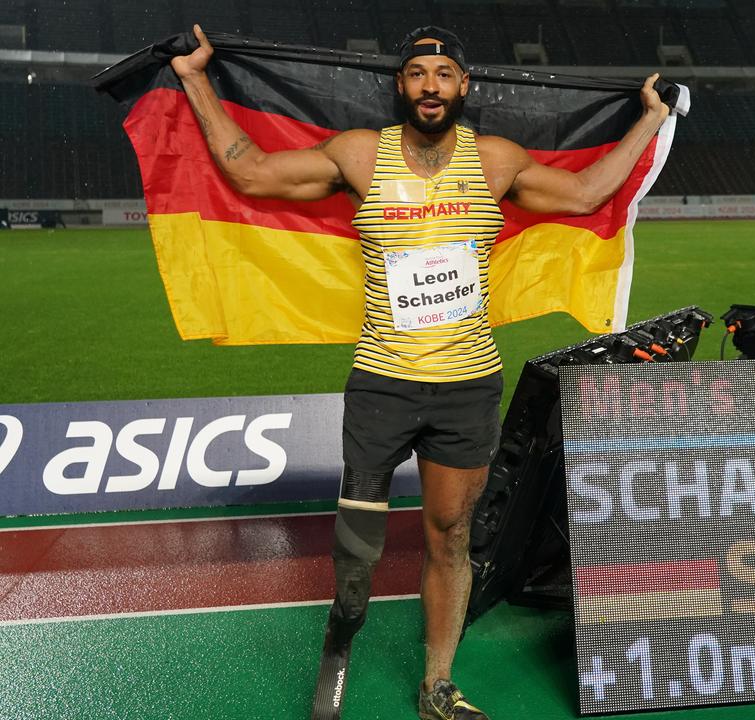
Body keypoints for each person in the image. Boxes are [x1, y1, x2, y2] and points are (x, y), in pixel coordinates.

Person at [170, 23, 670, 720]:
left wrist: (650, 117)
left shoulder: (495, 161)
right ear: (399, 86)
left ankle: (437, 683)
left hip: (467, 387)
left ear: (464, 86)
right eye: (416, 74)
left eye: (442, 74)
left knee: (450, 536)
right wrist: (195, 76)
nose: (429, 86)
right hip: (383, 383)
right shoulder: (359, 154)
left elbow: (586, 194)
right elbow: (250, 171)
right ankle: (344, 625)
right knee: (358, 553)